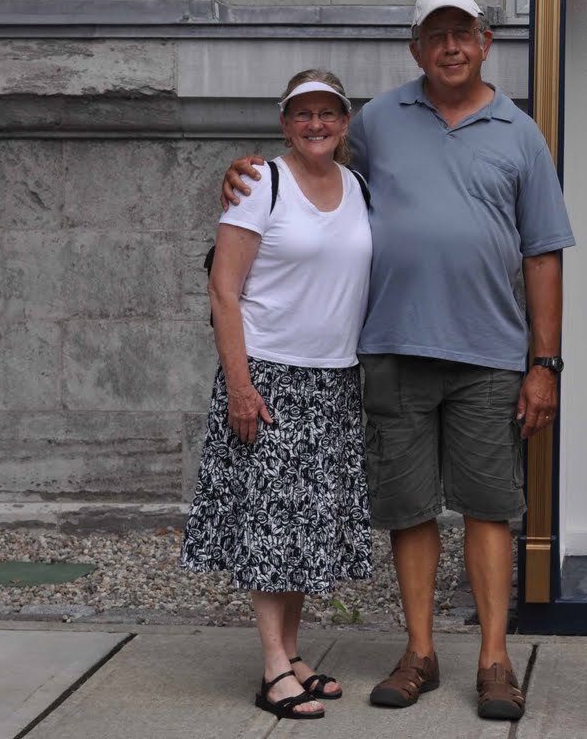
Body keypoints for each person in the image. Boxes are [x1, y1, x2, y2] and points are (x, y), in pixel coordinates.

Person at [221, 0, 573, 721]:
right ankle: (418, 651)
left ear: (485, 42)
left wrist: (545, 363)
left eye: (463, 33)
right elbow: (310, 167)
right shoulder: (378, 121)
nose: (450, 46)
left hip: (489, 354)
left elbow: (543, 253)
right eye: (435, 35)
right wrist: (243, 170)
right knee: (409, 508)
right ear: (416, 48)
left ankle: (495, 659)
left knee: (487, 505)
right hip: (392, 347)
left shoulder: (520, 132)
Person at [183, 69, 374, 722]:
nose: (316, 123)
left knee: (303, 525)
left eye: (328, 112)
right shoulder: (260, 183)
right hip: (269, 377)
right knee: (268, 526)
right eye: (303, 113)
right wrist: (240, 384)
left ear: (345, 121)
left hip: (334, 378)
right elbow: (223, 289)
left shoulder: (357, 188)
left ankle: (293, 655)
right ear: (284, 121)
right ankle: (270, 668)